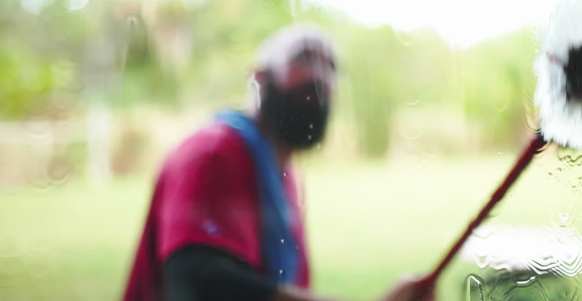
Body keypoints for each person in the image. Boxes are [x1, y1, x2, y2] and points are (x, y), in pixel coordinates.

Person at [122, 24, 429, 301]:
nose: (319, 75)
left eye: (330, 67)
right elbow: (199, 284)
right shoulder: (214, 153)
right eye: (304, 58)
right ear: (259, 77)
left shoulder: (282, 174)